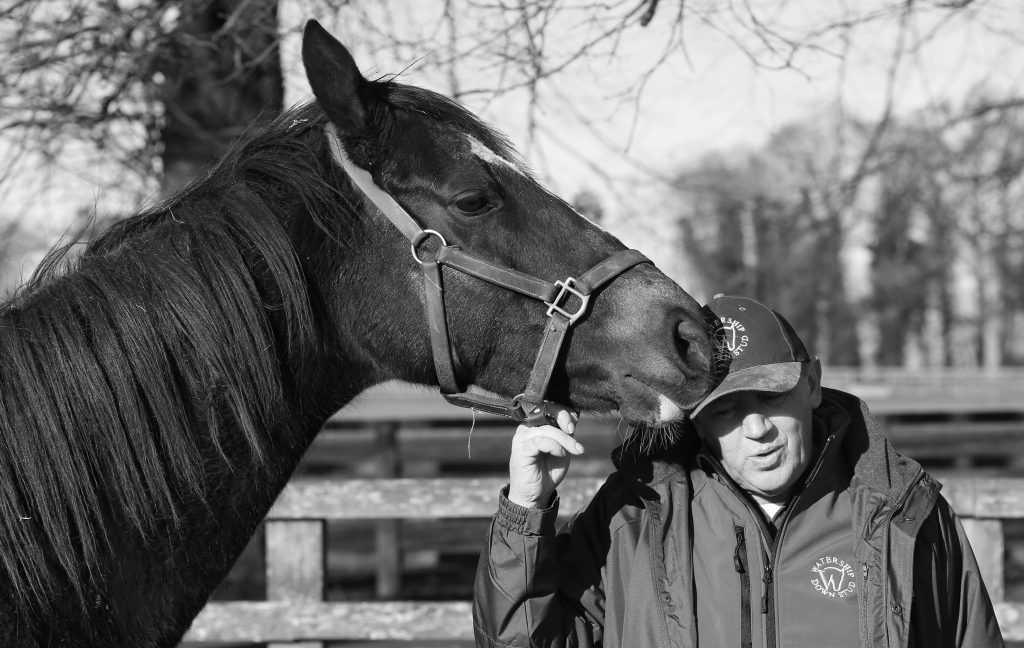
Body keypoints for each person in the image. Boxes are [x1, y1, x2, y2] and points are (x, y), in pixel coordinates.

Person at [473, 293, 1004, 648]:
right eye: (724, 410)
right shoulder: (632, 521)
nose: (756, 430)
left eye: (770, 397)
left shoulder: (904, 516)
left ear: (812, 384)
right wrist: (526, 510)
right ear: (695, 423)